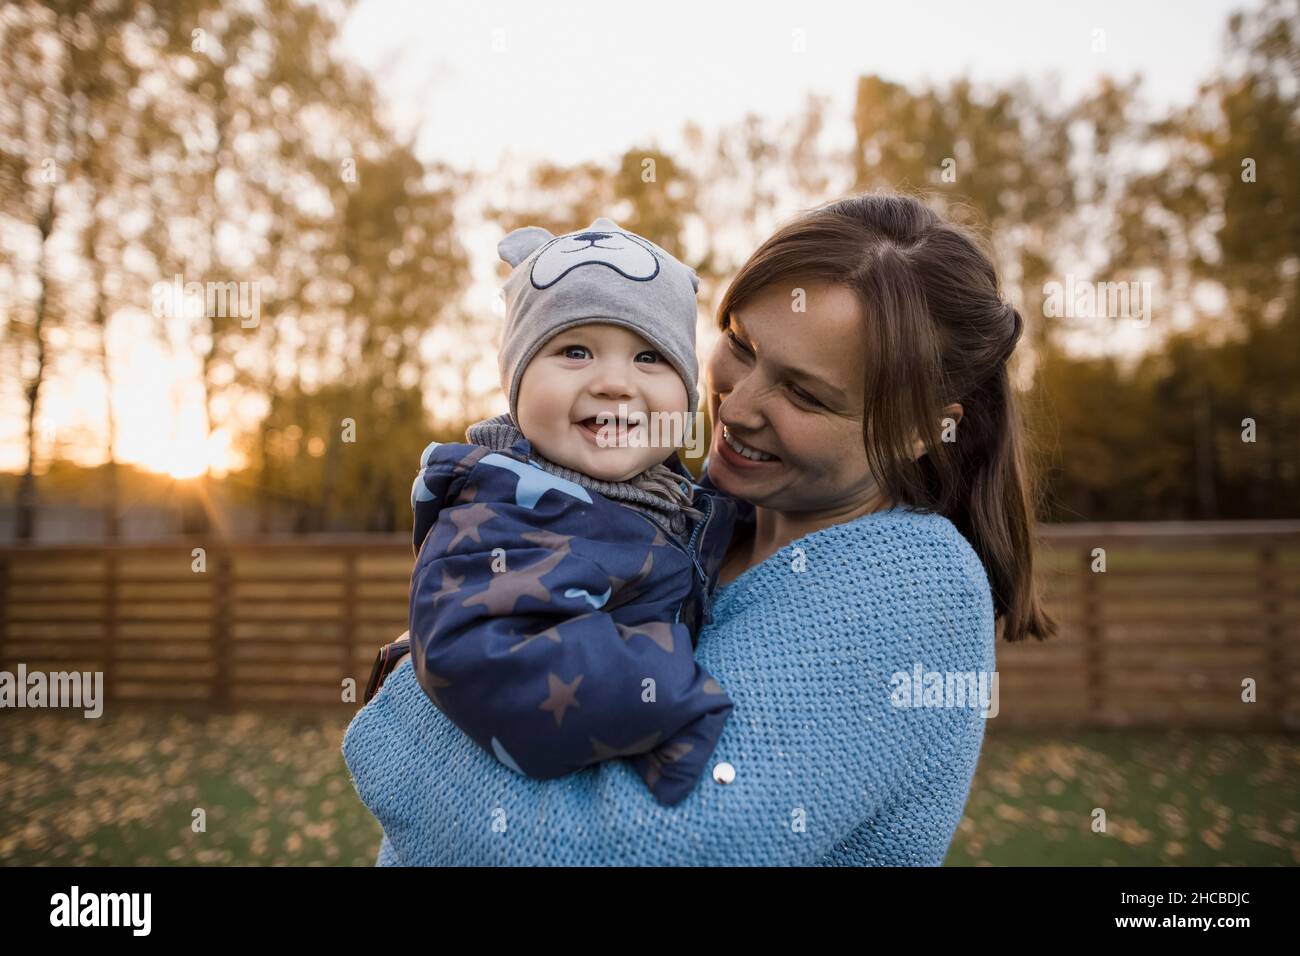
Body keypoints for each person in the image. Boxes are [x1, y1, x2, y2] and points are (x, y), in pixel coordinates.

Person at [343, 192, 1055, 865]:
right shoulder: (681, 513)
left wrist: (410, 693)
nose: (736, 406)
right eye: (740, 343)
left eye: (804, 392)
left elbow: (633, 852)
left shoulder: (911, 587)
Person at [397, 217, 743, 807]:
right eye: (574, 351)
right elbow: (482, 656)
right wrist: (669, 698)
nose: (614, 382)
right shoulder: (498, 513)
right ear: (515, 382)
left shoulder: (667, 498)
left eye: (650, 357)